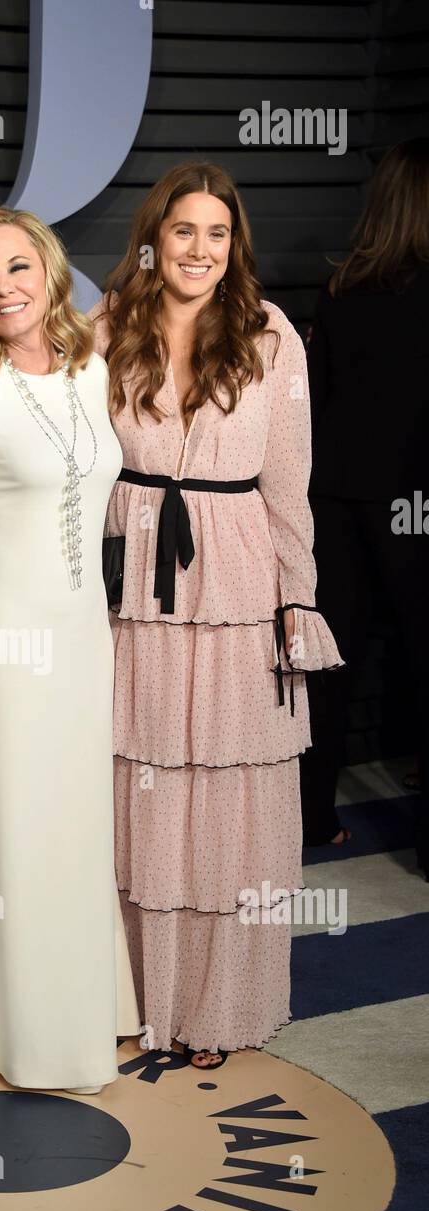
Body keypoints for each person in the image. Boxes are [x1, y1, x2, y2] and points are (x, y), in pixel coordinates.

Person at [91, 161, 343, 1069]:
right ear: (153, 239)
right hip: (131, 595)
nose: (200, 249)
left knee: (232, 802)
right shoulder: (101, 329)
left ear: (234, 245)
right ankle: (131, 1002)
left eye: (217, 233)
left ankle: (217, 1008)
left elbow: (289, 487)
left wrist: (296, 601)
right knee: (138, 791)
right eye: (184, 230)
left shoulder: (273, 338)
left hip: (236, 588)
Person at [0, 207, 140, 1091]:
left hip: (83, 634)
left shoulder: (91, 369)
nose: (2, 288)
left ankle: (87, 1011)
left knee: (73, 827)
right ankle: (10, 1035)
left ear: (49, 272)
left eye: (17, 268)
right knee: (11, 829)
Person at [299, 138, 429, 874]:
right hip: (412, 503)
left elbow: (318, 403)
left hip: (336, 502)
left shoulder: (341, 290)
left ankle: (312, 820)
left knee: (326, 667)